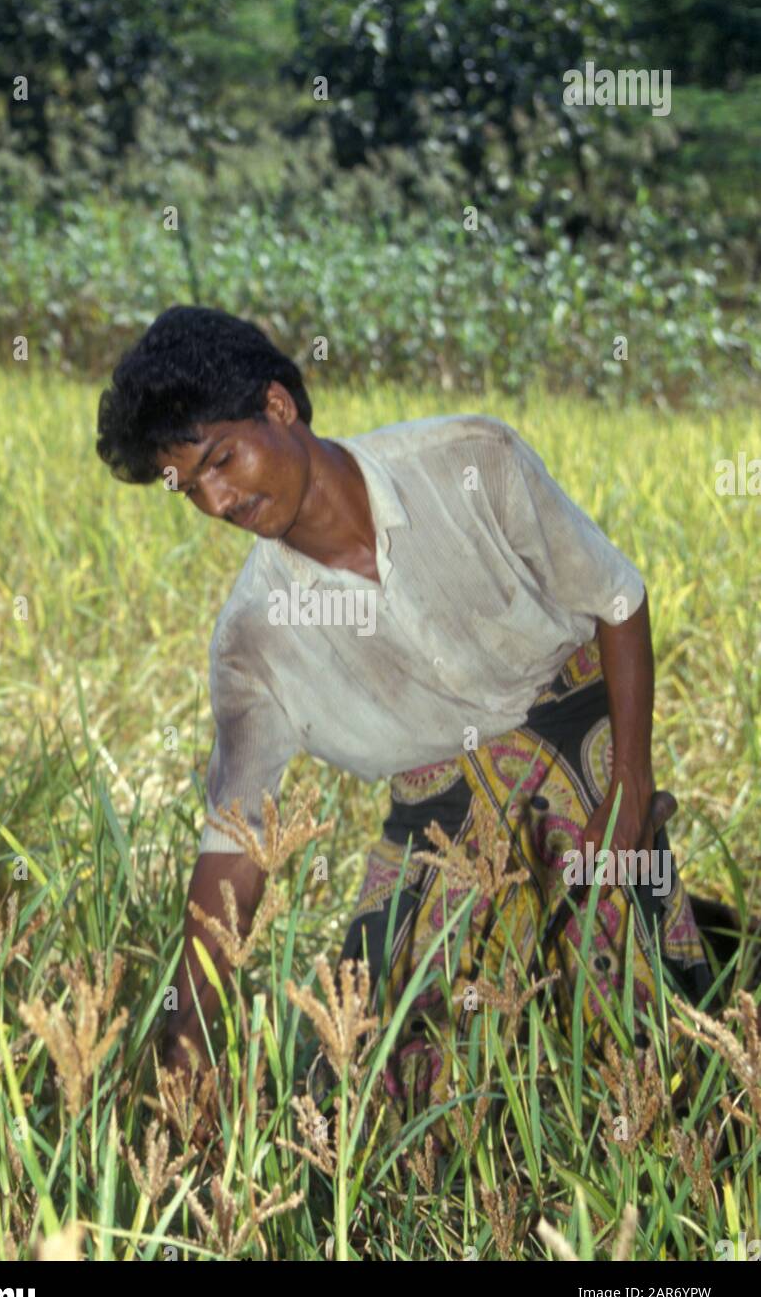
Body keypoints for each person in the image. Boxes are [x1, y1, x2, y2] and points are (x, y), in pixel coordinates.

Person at [95, 304, 716, 1126]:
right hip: (437, 812)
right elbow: (233, 842)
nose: (217, 499)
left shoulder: (469, 460)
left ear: (278, 408)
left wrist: (631, 786)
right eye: (191, 487)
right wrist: (191, 1022)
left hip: (575, 741)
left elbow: (617, 599)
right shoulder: (255, 639)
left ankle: (688, 938)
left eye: (222, 459)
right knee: (382, 1069)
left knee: (650, 1043)